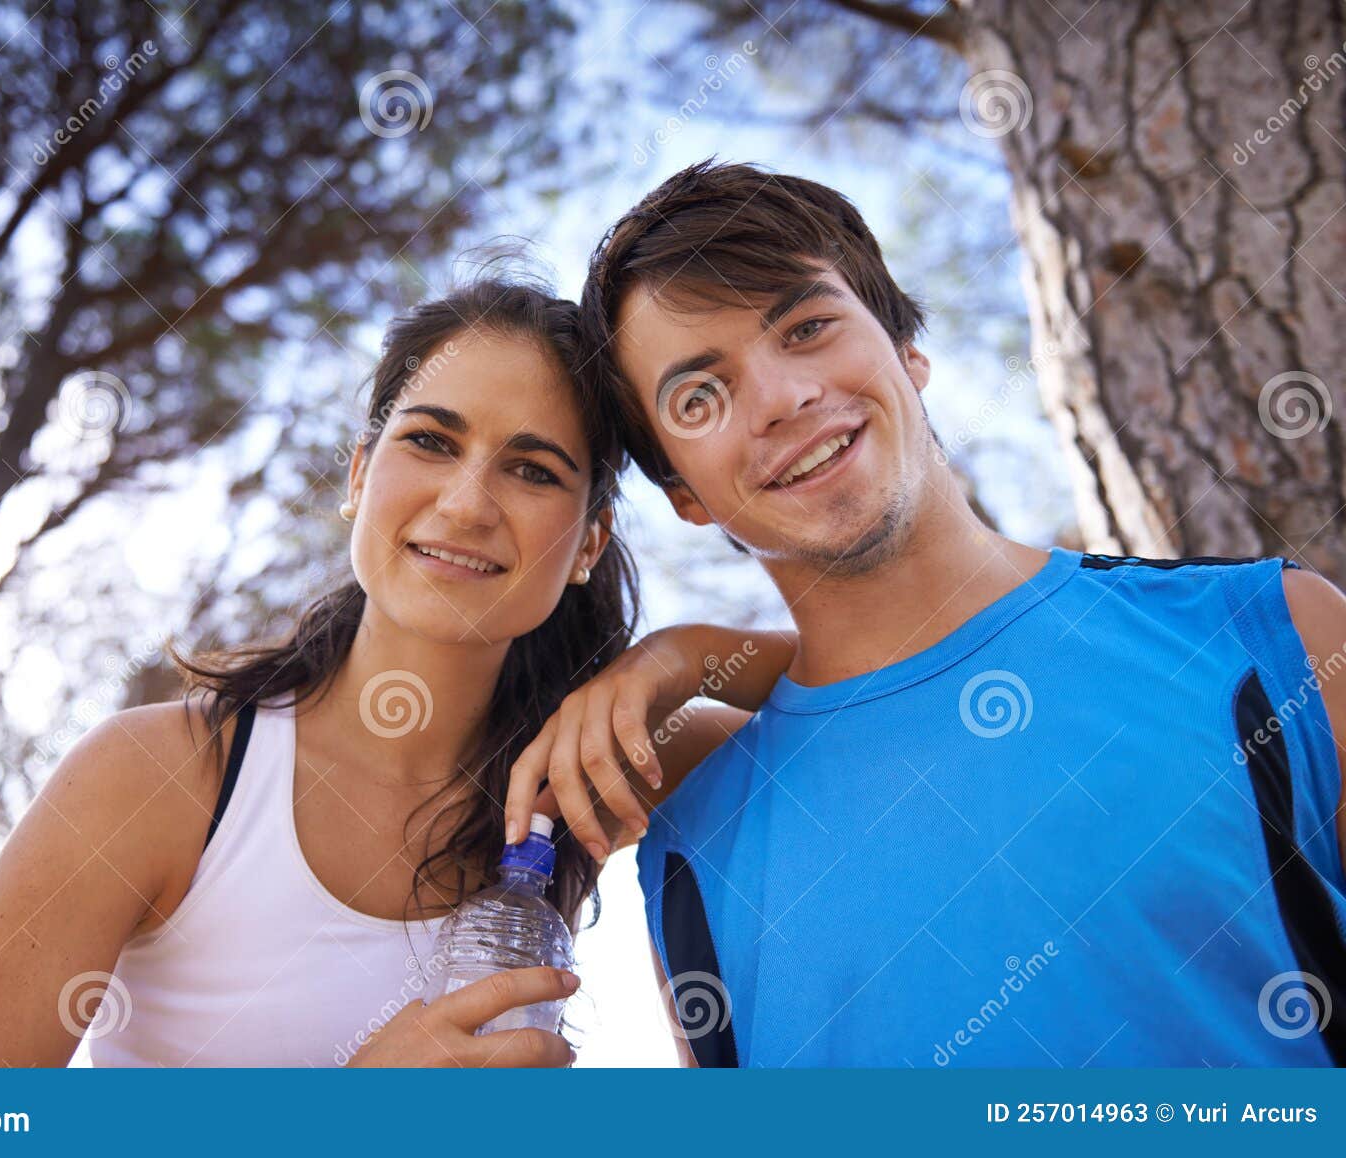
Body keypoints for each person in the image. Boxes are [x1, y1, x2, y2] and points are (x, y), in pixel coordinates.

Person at [512, 160, 1346, 1067]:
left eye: (808, 327)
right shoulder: (689, 850)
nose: (783, 399)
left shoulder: (1275, 634)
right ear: (684, 494)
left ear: (909, 350)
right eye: (700, 396)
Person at [0, 278, 789, 1069]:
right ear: (358, 476)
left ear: (589, 542)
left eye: (533, 470)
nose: (467, 503)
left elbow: (873, 698)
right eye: (431, 441)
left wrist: (689, 656)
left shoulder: (589, 765)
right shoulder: (162, 776)